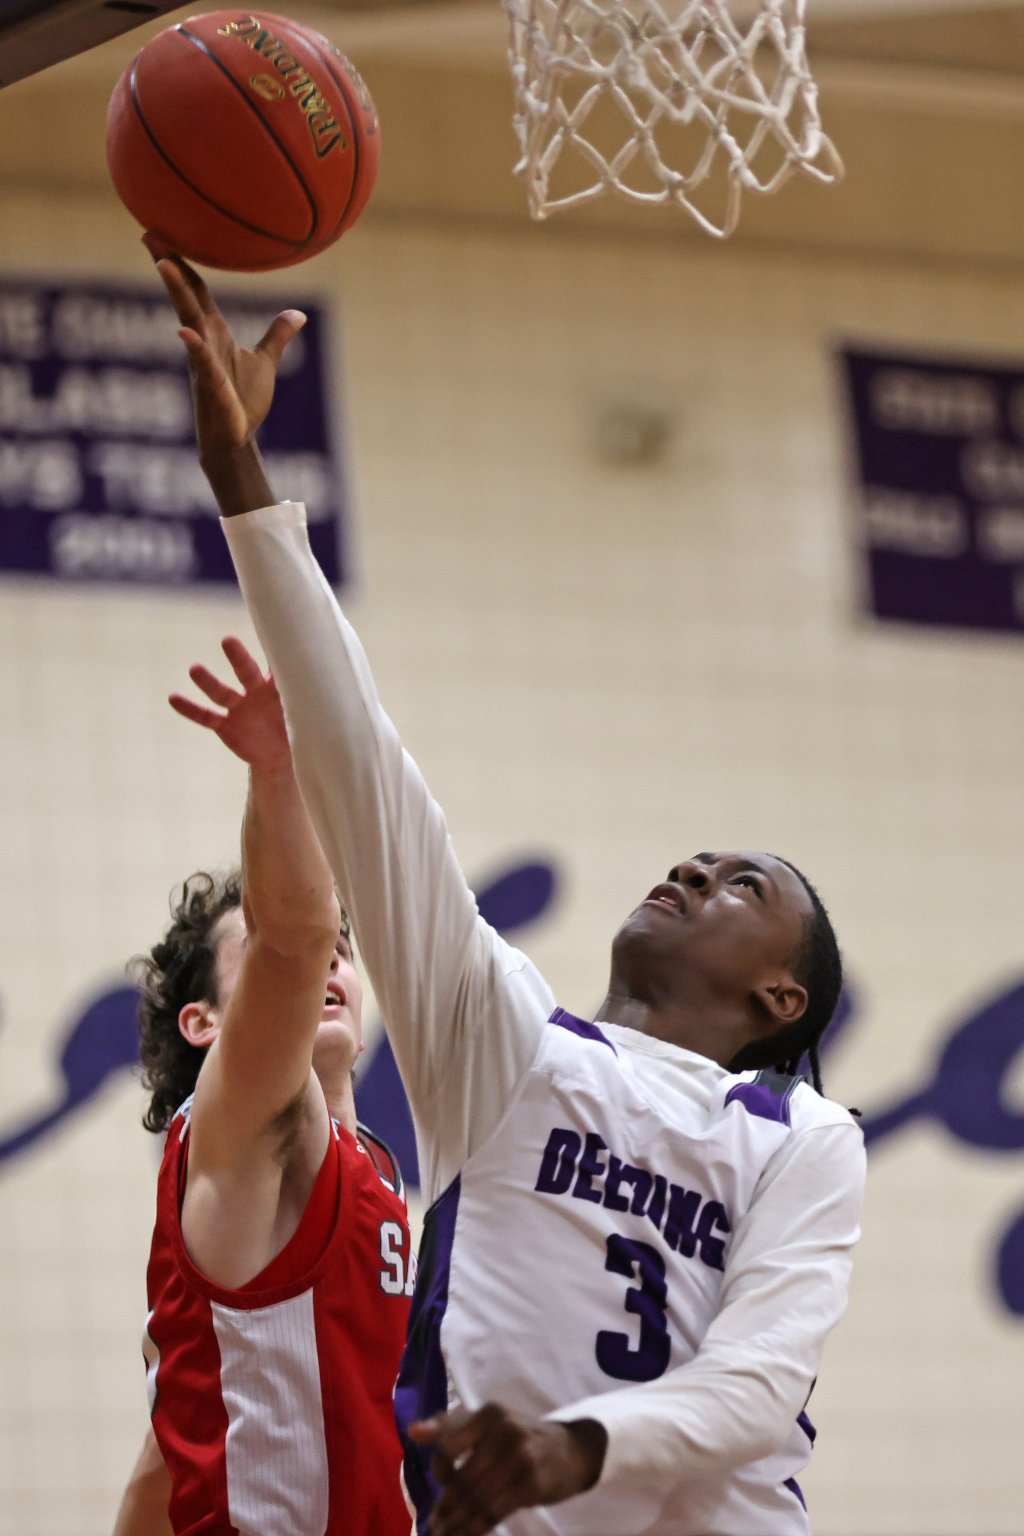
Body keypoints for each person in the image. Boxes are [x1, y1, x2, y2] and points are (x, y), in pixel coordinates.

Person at [154, 250, 866, 1536]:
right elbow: (363, 761)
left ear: (781, 990)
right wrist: (241, 482)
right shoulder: (502, 1039)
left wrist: (568, 1448)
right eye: (694, 861)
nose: (692, 870)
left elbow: (757, 1388)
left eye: (739, 882)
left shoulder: (803, 1137)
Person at [113, 635, 415, 1536]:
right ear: (205, 1025)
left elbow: (159, 1472)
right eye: (289, 950)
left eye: (345, 951)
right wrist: (280, 773)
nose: (328, 957)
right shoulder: (240, 1125)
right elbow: (292, 934)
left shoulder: (379, 1172)